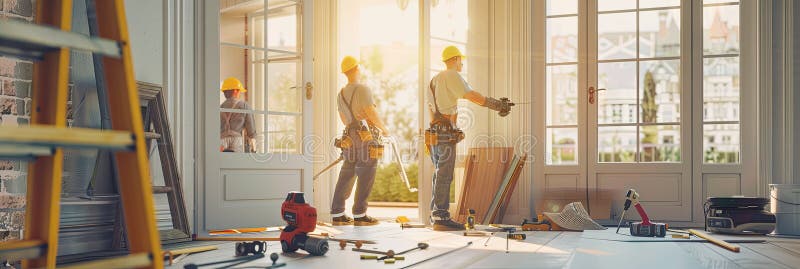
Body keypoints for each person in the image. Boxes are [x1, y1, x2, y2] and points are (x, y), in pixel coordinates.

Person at [427, 46, 512, 231]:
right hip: (444, 133)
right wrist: (497, 105)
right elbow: (472, 96)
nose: (462, 63)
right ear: (455, 59)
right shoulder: (451, 75)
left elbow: (432, 112)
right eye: (460, 60)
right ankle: (441, 217)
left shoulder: (434, 80)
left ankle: (434, 215)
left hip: (434, 133)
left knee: (439, 174)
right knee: (444, 175)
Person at [330, 56, 390, 226]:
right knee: (366, 173)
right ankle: (360, 214)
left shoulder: (340, 94)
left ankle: (338, 213)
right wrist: (384, 129)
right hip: (366, 136)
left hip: (349, 136)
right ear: (357, 69)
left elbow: (343, 118)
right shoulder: (363, 89)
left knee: (347, 173)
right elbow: (370, 111)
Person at [220, 77, 257, 153]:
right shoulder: (244, 106)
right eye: (240, 91)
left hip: (221, 140)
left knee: (222, 163)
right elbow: (251, 128)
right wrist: (254, 148)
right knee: (236, 163)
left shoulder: (220, 107)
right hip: (236, 140)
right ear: (235, 91)